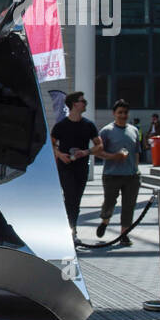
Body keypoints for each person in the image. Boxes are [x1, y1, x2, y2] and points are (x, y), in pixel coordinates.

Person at [50, 91, 101, 243]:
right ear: (74, 104)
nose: (85, 103)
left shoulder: (88, 125)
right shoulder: (61, 126)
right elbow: (51, 144)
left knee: (76, 200)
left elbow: (100, 145)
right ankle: (70, 231)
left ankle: (71, 229)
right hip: (66, 167)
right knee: (70, 197)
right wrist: (59, 154)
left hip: (81, 167)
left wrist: (86, 152)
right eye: (82, 101)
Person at [95, 99, 142, 247]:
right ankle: (105, 220)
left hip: (131, 176)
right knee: (109, 201)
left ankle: (124, 233)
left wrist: (136, 169)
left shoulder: (134, 130)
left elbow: (136, 152)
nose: (123, 115)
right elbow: (98, 152)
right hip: (111, 174)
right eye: (120, 112)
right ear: (114, 114)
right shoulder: (106, 131)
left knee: (129, 205)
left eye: (125, 112)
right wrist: (114, 157)